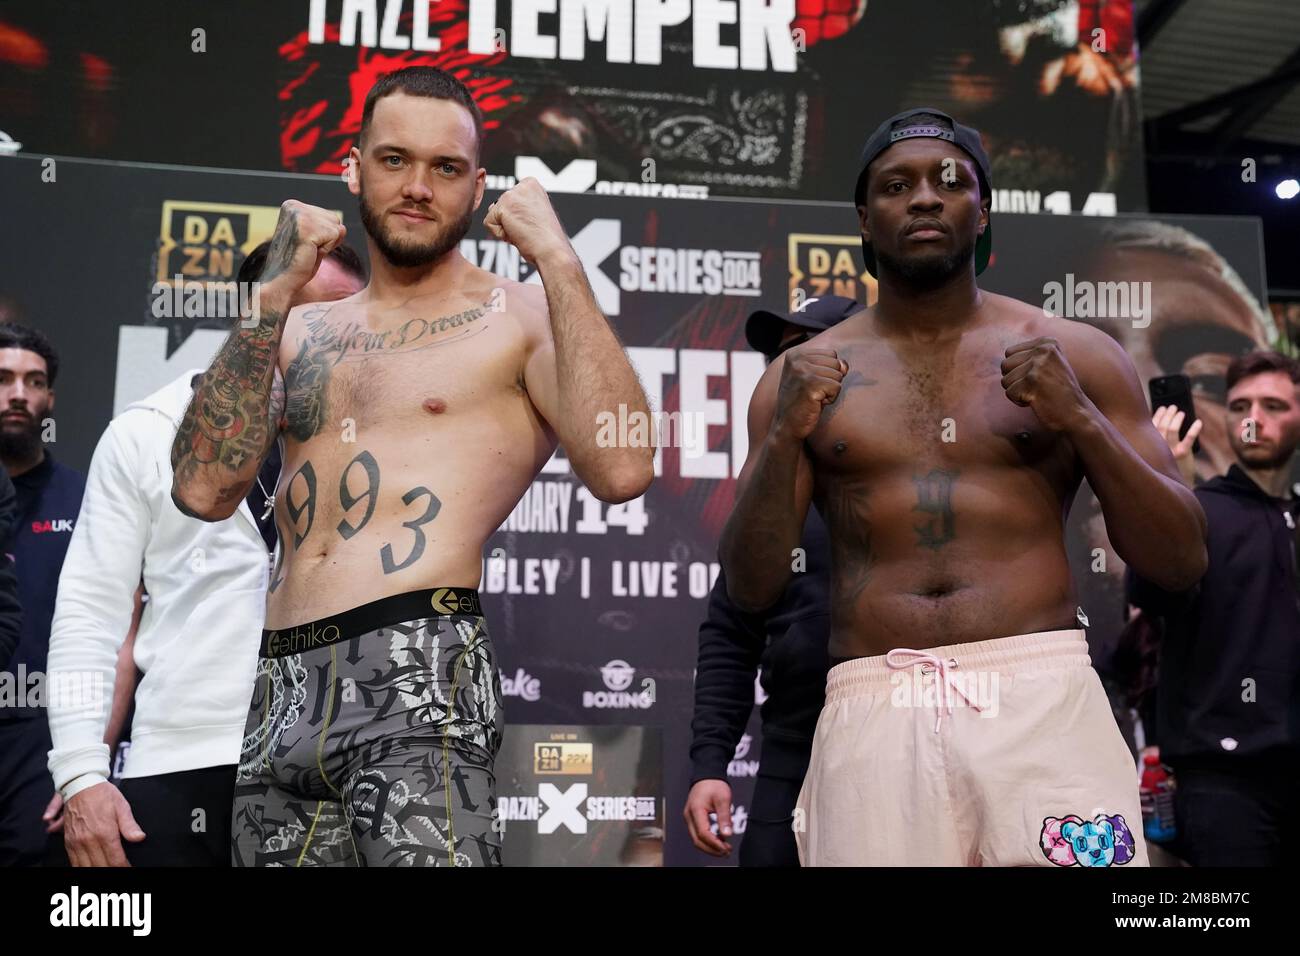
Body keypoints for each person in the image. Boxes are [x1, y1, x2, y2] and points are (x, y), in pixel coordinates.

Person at [170, 66, 654, 867]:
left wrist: (560, 261)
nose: (419, 187)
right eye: (394, 160)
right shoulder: (301, 329)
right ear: (353, 167)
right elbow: (201, 488)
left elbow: (624, 465)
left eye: (447, 168)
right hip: (279, 685)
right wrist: (269, 301)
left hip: (418, 670)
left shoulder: (515, 319)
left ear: (478, 188)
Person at [720, 108, 1207, 867]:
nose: (923, 198)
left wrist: (1078, 416)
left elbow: (1179, 562)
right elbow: (751, 587)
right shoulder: (799, 379)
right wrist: (785, 434)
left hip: (1041, 695)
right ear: (863, 215)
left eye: (949, 181)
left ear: (982, 210)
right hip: (875, 703)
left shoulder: (1079, 353)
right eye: (895, 184)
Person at [46, 243, 365, 867]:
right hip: (180, 763)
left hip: (341, 769)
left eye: (350, 317)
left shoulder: (388, 439)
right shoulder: (147, 430)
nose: (333, 337)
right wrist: (82, 772)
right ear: (255, 315)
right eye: (308, 313)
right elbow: (89, 612)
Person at [684, 295, 857, 866]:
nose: (790, 371)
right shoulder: (766, 501)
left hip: (897, 736)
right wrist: (711, 762)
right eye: (779, 358)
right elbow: (730, 632)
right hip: (791, 745)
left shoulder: (906, 486)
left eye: (807, 349)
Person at [1132, 351, 1300, 866]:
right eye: (1240, 405)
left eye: (1274, 405)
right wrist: (1170, 491)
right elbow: (1152, 594)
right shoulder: (1200, 510)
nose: (1255, 418)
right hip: (1222, 780)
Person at [0, 322, 85, 865]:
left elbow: (117, 631)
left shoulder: (84, 498)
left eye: (33, 382)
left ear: (49, 398)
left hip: (41, 732)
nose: (18, 394)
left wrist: (80, 762)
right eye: (4, 378)